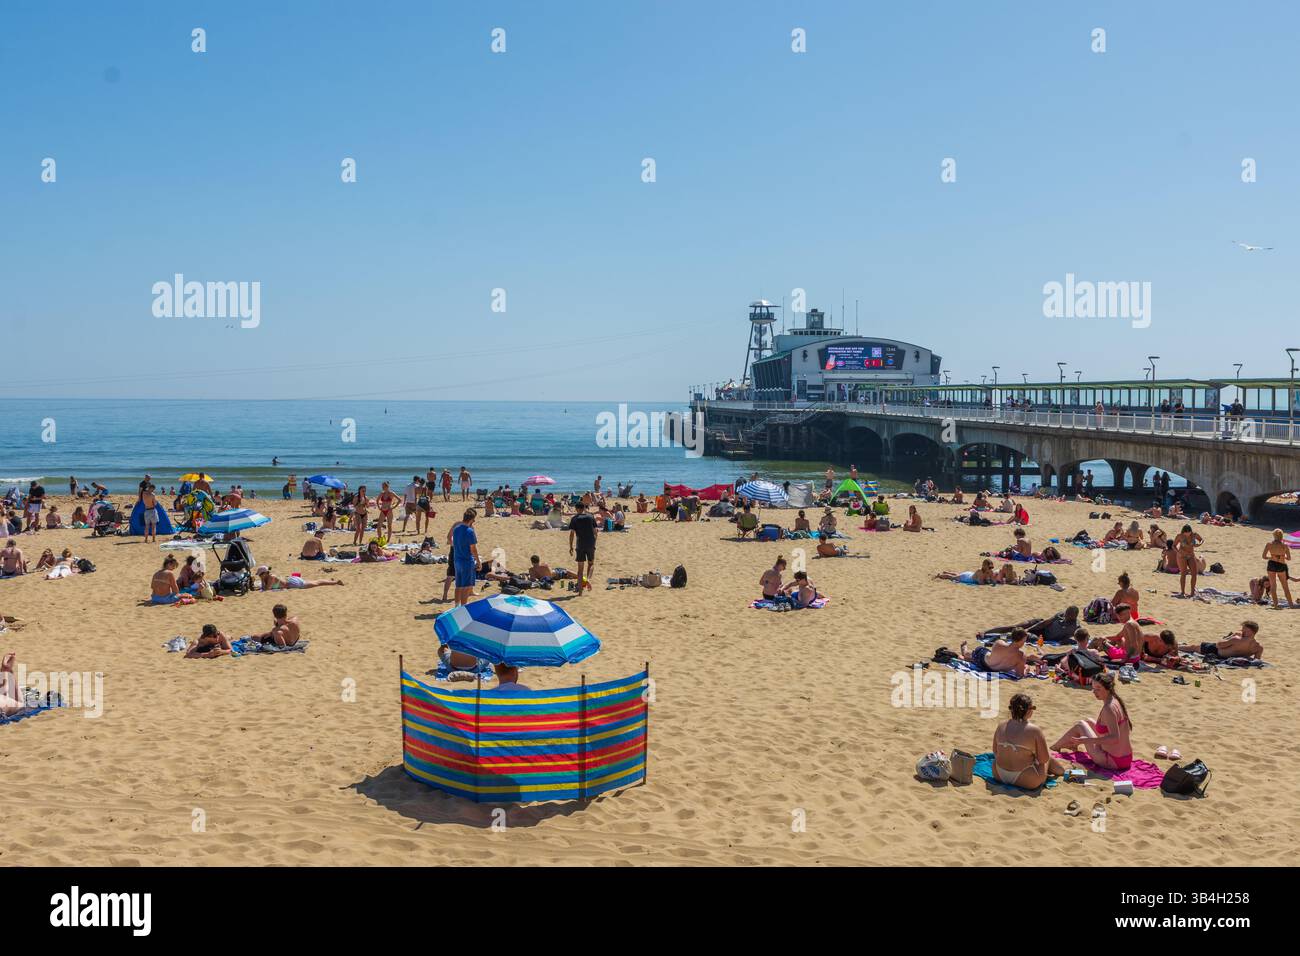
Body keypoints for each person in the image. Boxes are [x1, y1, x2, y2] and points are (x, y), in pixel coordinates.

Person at [1051, 672, 1134, 771]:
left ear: (1108, 688)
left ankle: (1055, 748)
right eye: (1093, 688)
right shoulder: (1115, 700)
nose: (1094, 692)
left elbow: (1114, 738)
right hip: (1126, 758)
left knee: (1080, 725)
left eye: (1098, 689)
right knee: (1088, 721)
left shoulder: (1109, 708)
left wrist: (1086, 740)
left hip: (1112, 761)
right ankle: (1070, 745)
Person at [991, 693, 1065, 789]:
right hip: (1026, 779)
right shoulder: (1034, 730)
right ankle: (1062, 771)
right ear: (1028, 710)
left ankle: (1061, 770)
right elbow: (1043, 760)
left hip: (998, 774)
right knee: (1047, 758)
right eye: (1033, 708)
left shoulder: (1001, 725)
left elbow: (995, 751)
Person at [959, 628, 1037, 676]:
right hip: (992, 669)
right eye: (1024, 640)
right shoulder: (1022, 656)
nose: (1025, 642)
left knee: (972, 655)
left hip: (983, 662)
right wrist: (1026, 668)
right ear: (1021, 640)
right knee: (968, 655)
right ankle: (964, 649)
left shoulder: (999, 643)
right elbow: (1020, 675)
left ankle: (965, 652)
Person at [1178, 620, 1263, 660]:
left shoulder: (1236, 639)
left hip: (1217, 652)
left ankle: (1177, 647)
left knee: (1193, 647)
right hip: (1231, 657)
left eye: (1243, 630)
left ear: (1250, 631)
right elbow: (1256, 661)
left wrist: (1230, 637)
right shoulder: (1258, 647)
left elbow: (1219, 645)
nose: (1242, 631)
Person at [567, 501, 598, 595]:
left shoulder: (574, 519)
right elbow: (595, 532)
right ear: (584, 508)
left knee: (580, 569)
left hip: (580, 544)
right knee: (591, 564)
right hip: (590, 543)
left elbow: (572, 534)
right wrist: (594, 542)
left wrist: (571, 546)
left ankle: (580, 592)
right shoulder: (590, 517)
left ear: (576, 509)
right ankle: (588, 579)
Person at [451, 509, 480, 606]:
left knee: (458, 585)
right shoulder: (469, 531)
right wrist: (478, 561)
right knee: (466, 586)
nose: (474, 521)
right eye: (473, 519)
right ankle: (463, 608)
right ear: (471, 519)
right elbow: (473, 549)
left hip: (457, 560)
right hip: (466, 561)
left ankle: (456, 606)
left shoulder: (456, 529)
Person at [1263, 529, 1294, 608]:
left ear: (1274, 536)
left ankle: (1276, 605)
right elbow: (1289, 558)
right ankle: (1291, 605)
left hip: (1271, 564)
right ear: (1281, 536)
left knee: (1273, 586)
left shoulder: (1269, 544)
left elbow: (1264, 556)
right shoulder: (1285, 545)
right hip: (1281, 564)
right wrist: (1283, 556)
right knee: (1285, 586)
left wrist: (1272, 557)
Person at [1174, 524, 1205, 597]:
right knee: (1183, 573)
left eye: (1189, 532)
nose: (1187, 533)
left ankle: (1192, 592)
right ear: (1183, 532)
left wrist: (1199, 544)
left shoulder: (1194, 535)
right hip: (1182, 556)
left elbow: (1201, 539)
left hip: (1191, 555)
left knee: (1194, 573)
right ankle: (1182, 592)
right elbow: (1173, 545)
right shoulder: (1179, 536)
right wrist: (1178, 552)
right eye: (1186, 532)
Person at [256, 565, 344, 590]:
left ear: (265, 573)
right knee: (316, 582)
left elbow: (266, 589)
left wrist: (261, 580)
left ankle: (336, 582)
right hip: (290, 580)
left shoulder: (271, 577)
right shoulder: (268, 578)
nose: (260, 576)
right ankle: (331, 581)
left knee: (317, 583)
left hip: (293, 583)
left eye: (260, 574)